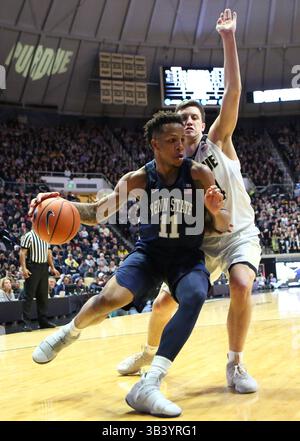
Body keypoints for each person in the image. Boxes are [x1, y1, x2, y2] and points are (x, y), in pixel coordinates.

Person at [30, 111, 230, 417]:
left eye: (182, 140)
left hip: (186, 257)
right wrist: (59, 206)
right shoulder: (138, 178)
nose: (180, 146)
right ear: (155, 145)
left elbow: (221, 225)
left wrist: (216, 212)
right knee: (110, 298)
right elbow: (98, 214)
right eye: (172, 141)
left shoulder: (200, 174)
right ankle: (68, 332)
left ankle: (150, 385)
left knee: (195, 295)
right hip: (149, 254)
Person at [117, 8, 261, 394]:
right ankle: (148, 351)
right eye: (184, 120)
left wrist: (228, 38)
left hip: (238, 231)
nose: (191, 122)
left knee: (241, 283)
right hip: (200, 241)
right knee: (164, 305)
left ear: (202, 121)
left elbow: (232, 92)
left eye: (195, 116)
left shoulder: (219, 141)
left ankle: (235, 364)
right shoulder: (176, 167)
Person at [19, 229, 60, 331]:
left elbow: (48, 253)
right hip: (33, 266)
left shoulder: (46, 235)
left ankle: (43, 322)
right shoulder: (29, 235)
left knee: (43, 296)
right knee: (29, 295)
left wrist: (52, 267)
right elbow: (22, 253)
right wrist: (24, 268)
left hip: (44, 267)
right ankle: (26, 323)